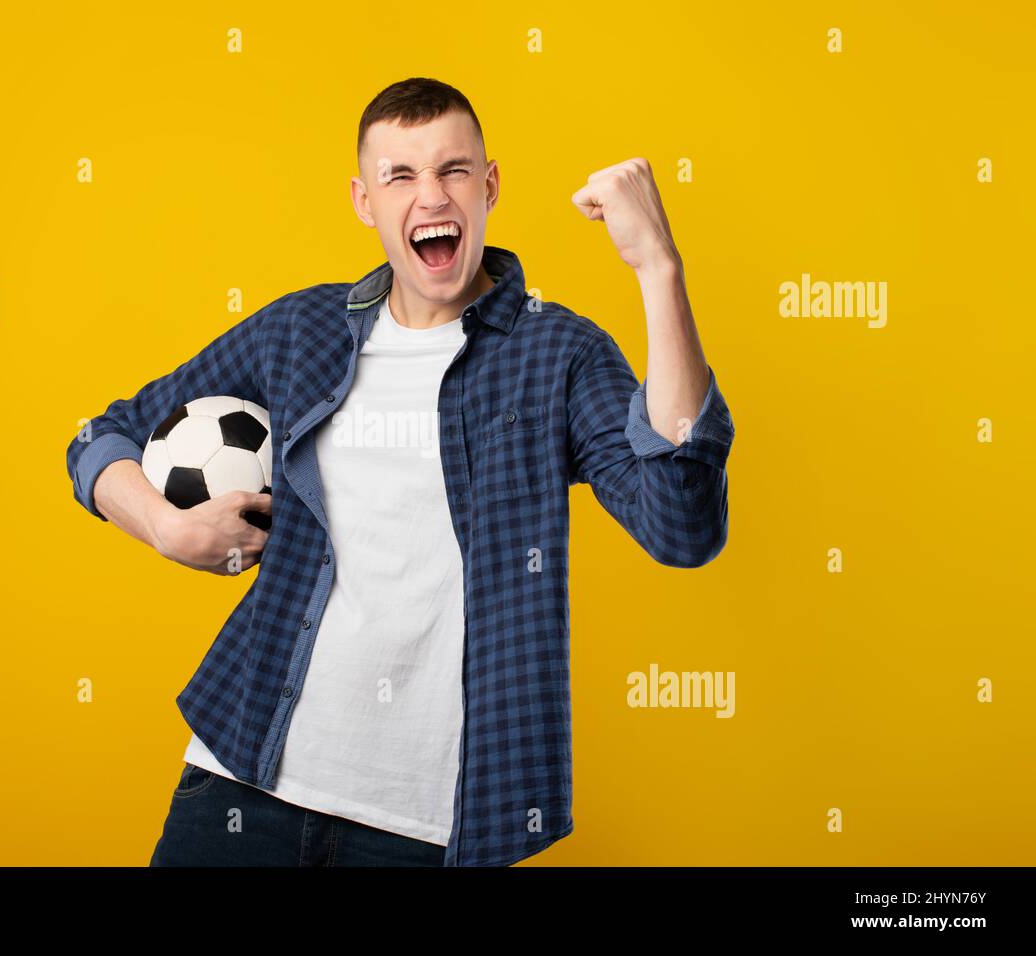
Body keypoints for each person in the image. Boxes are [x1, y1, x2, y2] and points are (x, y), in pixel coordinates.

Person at [64, 77, 735, 867]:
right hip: (240, 784)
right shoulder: (299, 330)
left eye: (454, 170)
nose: (431, 195)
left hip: (425, 828)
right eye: (400, 176)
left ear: (489, 187)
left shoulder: (558, 352)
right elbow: (99, 438)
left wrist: (658, 268)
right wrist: (168, 526)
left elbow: (682, 528)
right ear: (364, 201)